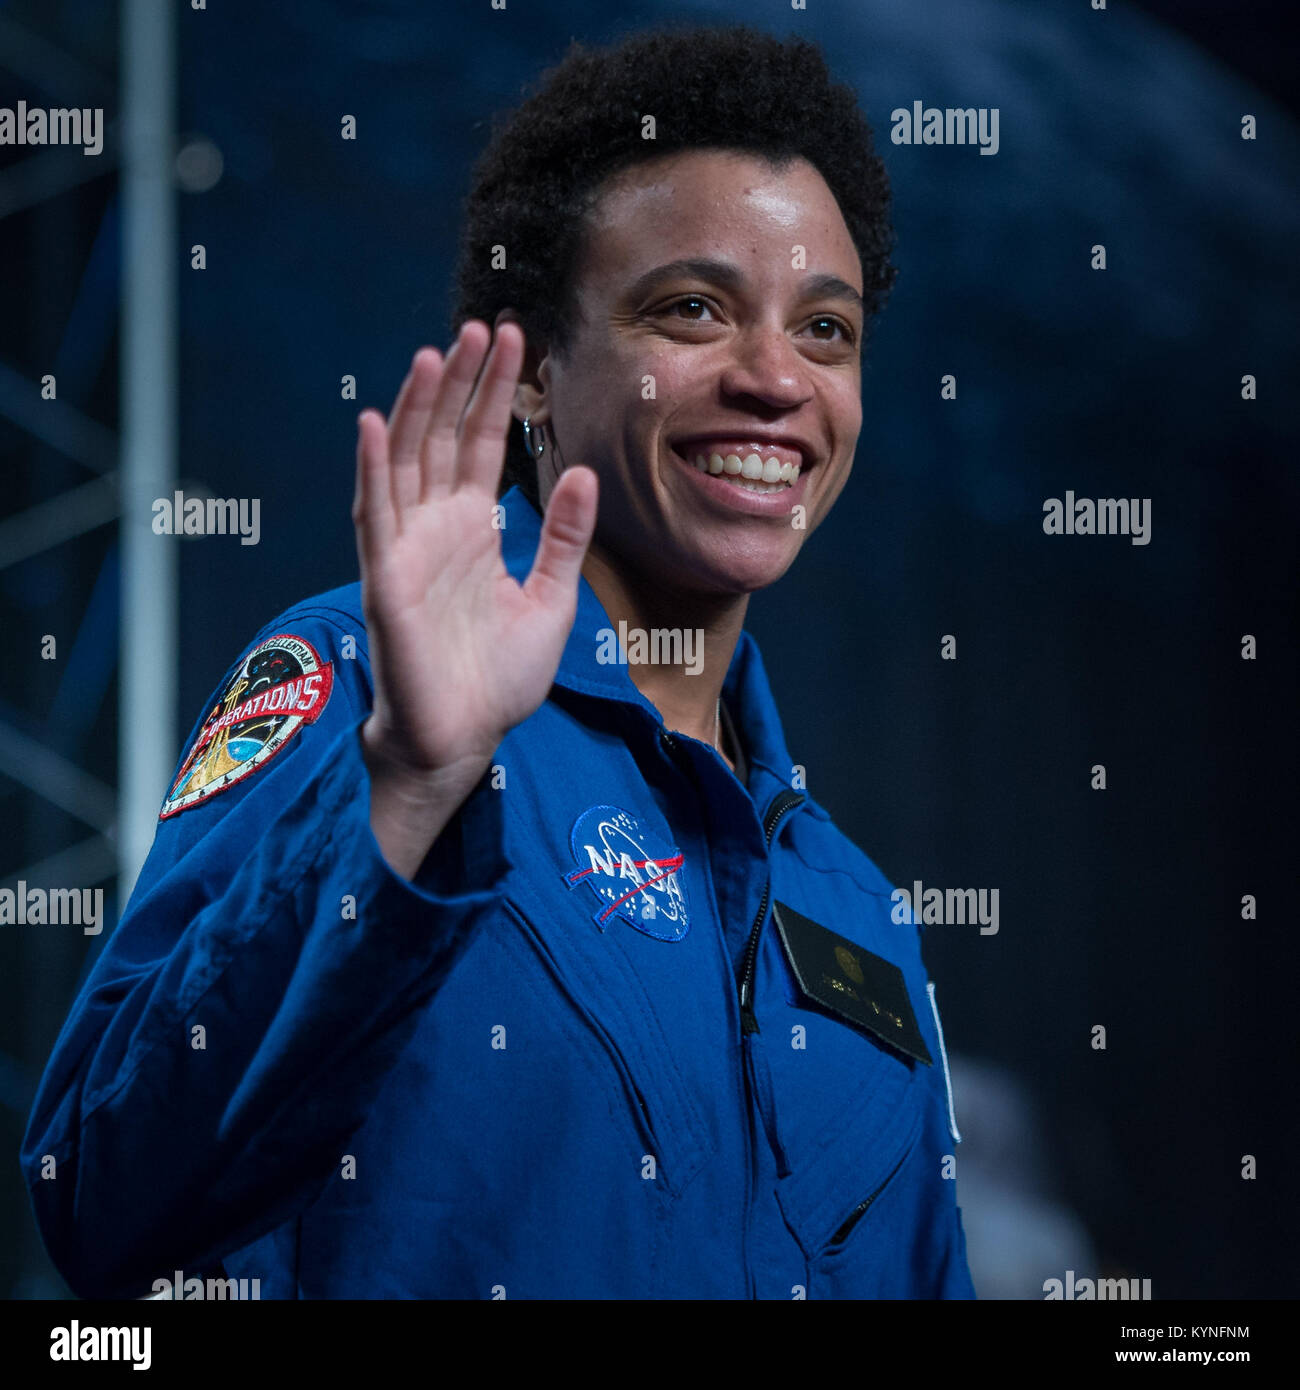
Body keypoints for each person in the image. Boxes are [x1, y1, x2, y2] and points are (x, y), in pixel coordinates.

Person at [23, 24, 974, 1299]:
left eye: (826, 329)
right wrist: (412, 788)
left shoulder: (855, 908)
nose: (774, 379)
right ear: (530, 370)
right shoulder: (361, 687)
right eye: (692, 308)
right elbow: (100, 1196)